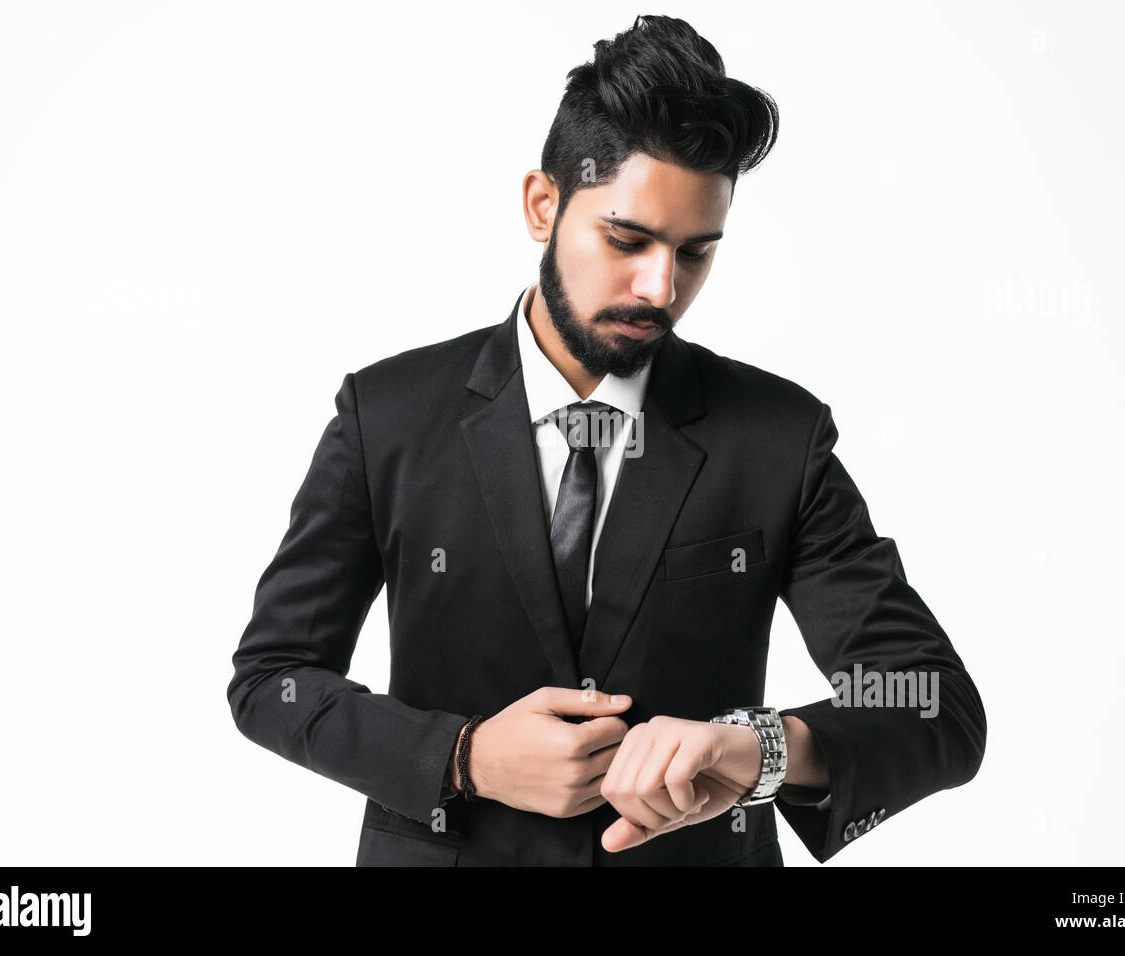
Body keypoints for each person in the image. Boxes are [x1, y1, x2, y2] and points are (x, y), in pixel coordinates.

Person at [227, 14, 986, 866]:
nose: (660, 287)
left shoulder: (780, 437)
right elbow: (274, 679)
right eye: (628, 240)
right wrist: (462, 757)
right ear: (543, 205)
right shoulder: (389, 415)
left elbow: (937, 708)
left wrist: (757, 751)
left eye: (696, 254)